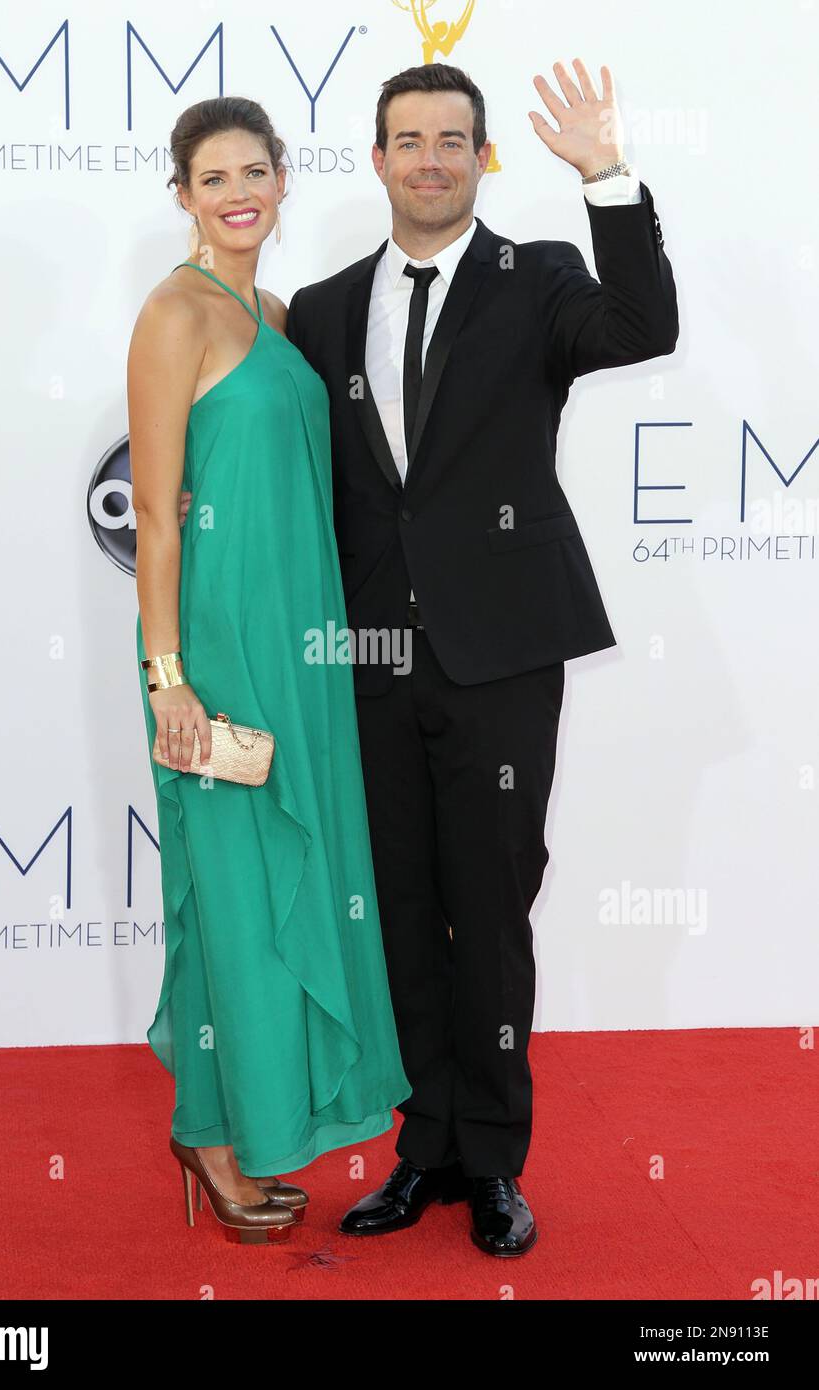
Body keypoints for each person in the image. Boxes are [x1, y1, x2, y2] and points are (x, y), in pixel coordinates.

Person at [257, 59, 678, 1256]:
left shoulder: (538, 277)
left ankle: (493, 1162)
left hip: (499, 651)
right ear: (377, 158)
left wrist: (606, 175)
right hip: (371, 652)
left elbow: (645, 325)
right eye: (408, 139)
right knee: (396, 908)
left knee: (488, 908)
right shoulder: (327, 305)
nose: (430, 158)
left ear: (482, 158)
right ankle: (423, 1146)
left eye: (453, 139)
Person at [130, 96, 411, 1246]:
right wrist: (168, 678)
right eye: (214, 177)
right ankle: (210, 1132)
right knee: (233, 897)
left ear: (283, 181)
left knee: (285, 881)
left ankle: (236, 1124)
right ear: (183, 196)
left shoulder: (280, 313)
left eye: (257, 170)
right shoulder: (173, 314)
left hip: (302, 649)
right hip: (215, 651)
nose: (239, 191)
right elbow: (154, 515)